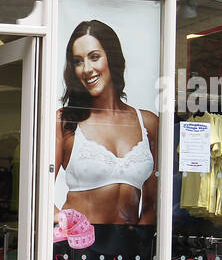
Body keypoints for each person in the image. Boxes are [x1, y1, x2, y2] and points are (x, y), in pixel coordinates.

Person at [54, 19, 159, 228]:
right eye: (77, 61)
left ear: (111, 58)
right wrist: (64, 224)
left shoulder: (148, 123)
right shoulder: (66, 122)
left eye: (94, 57)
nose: (87, 69)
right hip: (78, 251)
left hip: (128, 252)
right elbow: (37, 189)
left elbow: (152, 205)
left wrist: (138, 244)